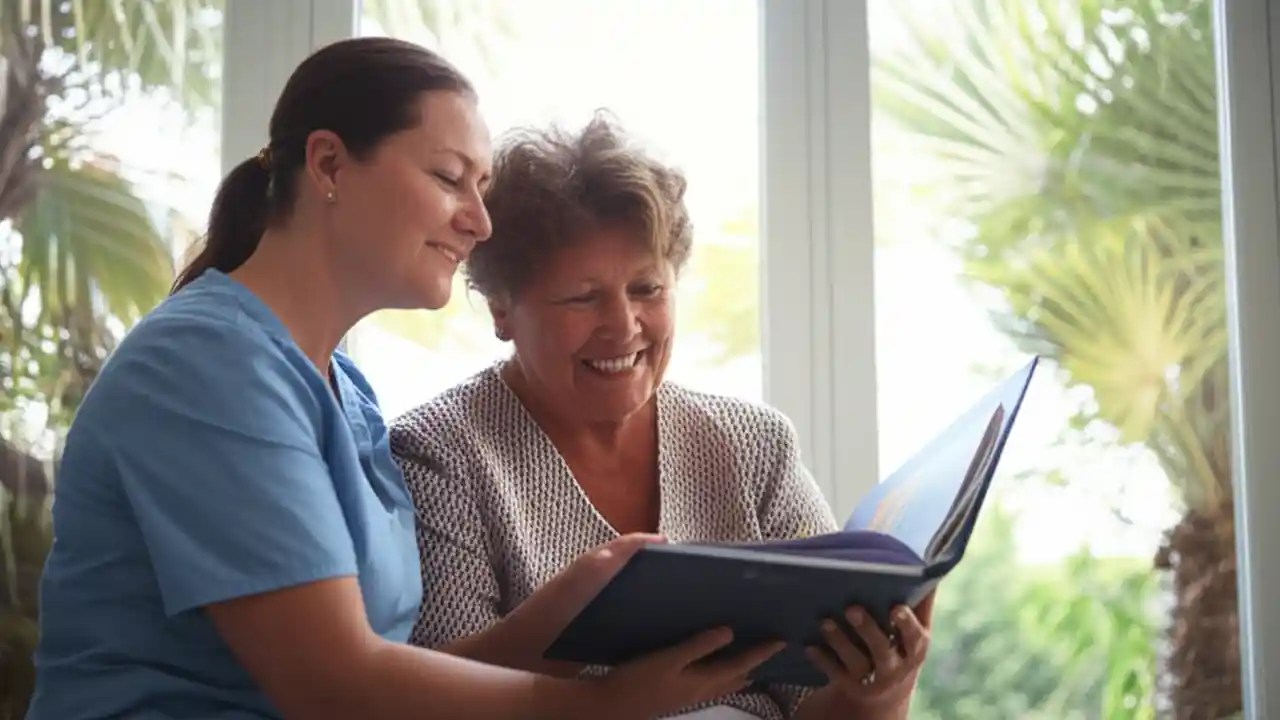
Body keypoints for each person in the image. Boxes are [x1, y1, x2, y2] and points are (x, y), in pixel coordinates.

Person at [27, 38, 786, 720]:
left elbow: (392, 684)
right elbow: (334, 691)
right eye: (451, 179)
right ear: (328, 165)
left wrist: (558, 616)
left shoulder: (342, 392)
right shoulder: (206, 366)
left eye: (482, 187)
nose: (481, 223)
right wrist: (596, 707)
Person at [390, 114, 935, 720]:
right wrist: (567, 622)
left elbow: (818, 704)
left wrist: (883, 689)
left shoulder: (754, 446)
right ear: (501, 310)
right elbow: (432, 697)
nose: (623, 327)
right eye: (582, 297)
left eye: (648, 289)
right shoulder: (440, 451)